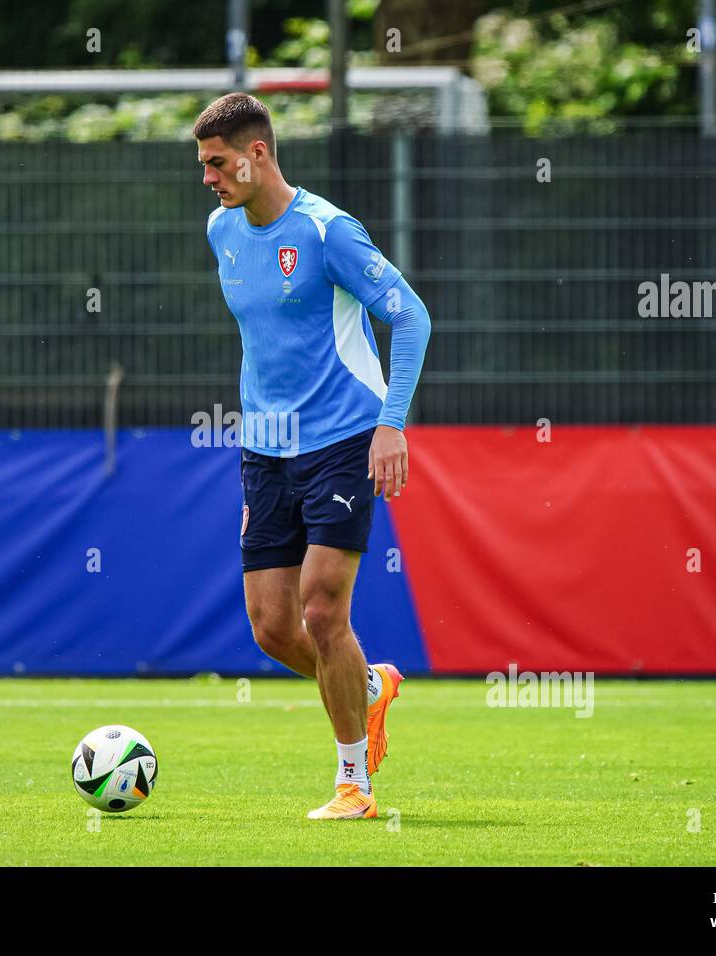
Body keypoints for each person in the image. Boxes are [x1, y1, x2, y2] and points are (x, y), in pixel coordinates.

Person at [194, 92, 431, 819]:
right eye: (203, 165)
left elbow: (411, 316)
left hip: (344, 438)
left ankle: (354, 783)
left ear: (257, 153)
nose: (209, 178)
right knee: (272, 628)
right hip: (264, 452)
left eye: (217, 163)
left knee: (324, 609)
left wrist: (391, 426)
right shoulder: (221, 230)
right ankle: (369, 686)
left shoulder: (329, 232)